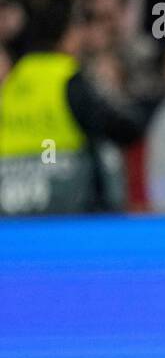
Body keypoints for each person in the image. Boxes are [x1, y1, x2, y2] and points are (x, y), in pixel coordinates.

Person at [0, 15, 145, 214]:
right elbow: (110, 124)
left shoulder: (13, 79)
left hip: (11, 198)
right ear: (64, 37)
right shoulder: (66, 77)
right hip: (65, 196)